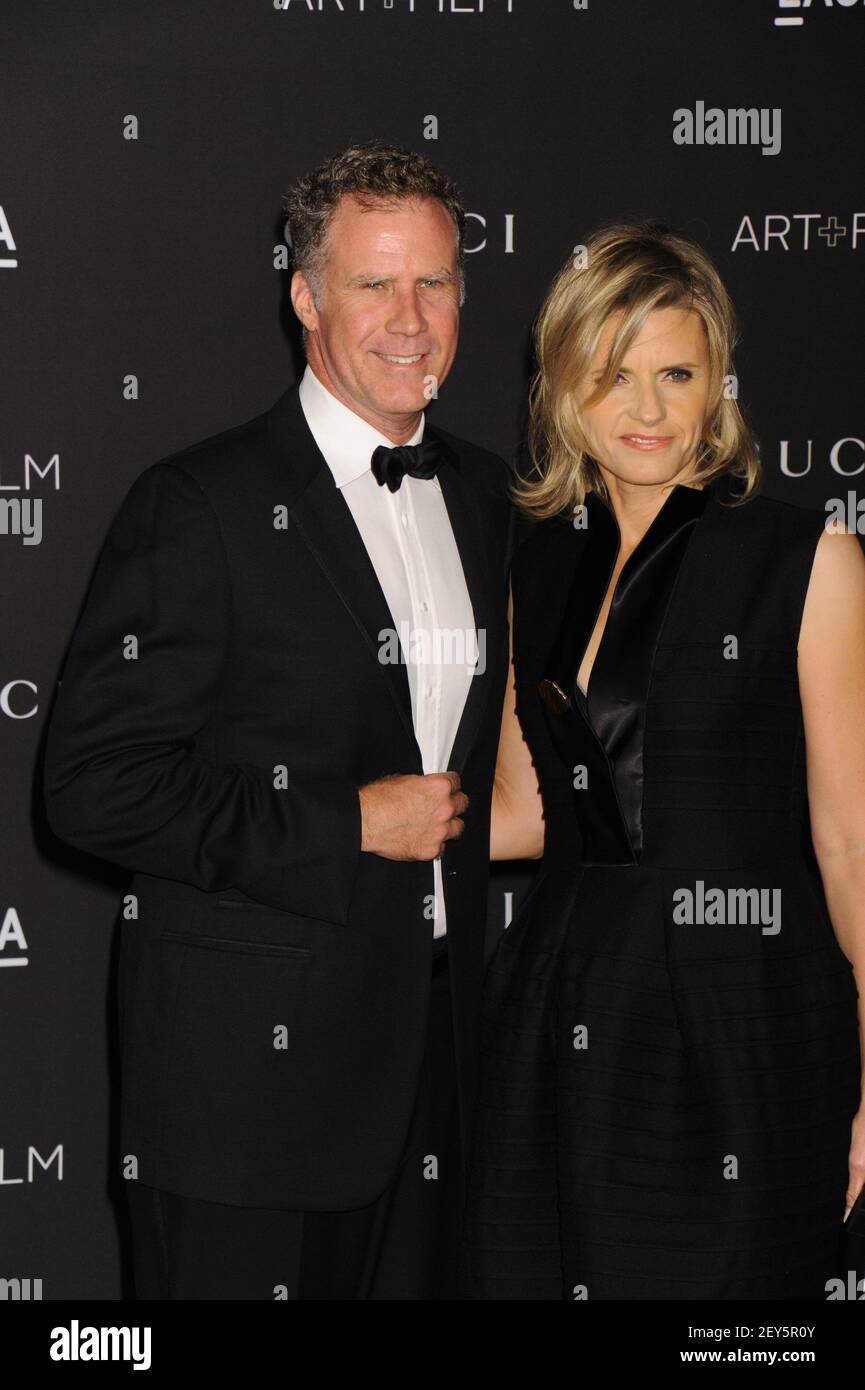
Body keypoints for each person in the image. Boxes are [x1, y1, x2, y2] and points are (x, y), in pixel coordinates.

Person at [43, 141, 513, 1300]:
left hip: (439, 1075)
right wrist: (345, 823)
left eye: (435, 283)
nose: (411, 319)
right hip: (241, 1095)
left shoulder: (496, 497)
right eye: (372, 284)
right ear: (304, 296)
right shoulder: (197, 505)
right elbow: (94, 783)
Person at [461, 219, 865, 1300]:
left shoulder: (806, 559)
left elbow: (848, 840)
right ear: (562, 387)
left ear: (717, 381)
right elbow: (522, 816)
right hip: (563, 1012)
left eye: (675, 372)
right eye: (612, 373)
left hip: (743, 1016)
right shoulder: (532, 570)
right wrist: (328, 819)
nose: (645, 410)